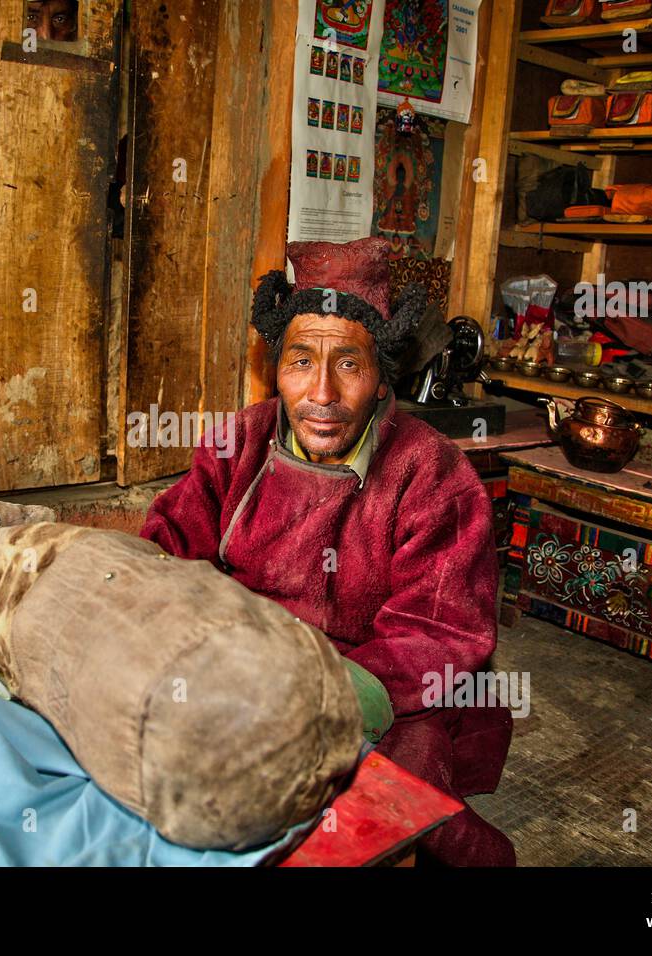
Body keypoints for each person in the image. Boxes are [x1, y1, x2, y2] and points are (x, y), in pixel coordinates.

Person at [140, 235, 515, 866]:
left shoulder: (431, 471)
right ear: (277, 367)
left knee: (390, 796)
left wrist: (319, 703)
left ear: (378, 377)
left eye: (347, 364)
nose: (320, 393)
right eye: (300, 361)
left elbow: (441, 630)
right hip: (251, 664)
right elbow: (168, 551)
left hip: (384, 688)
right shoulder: (239, 443)